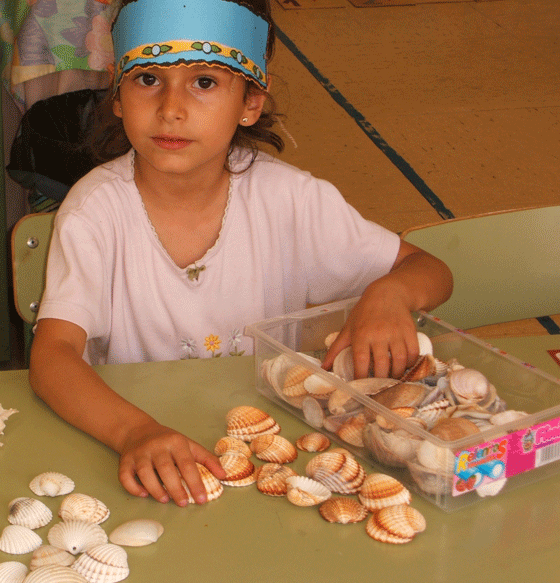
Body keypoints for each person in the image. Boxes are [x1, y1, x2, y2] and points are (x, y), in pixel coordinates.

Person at [28, 0, 453, 508]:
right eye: (147, 79)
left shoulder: (292, 200)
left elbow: (431, 271)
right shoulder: (95, 212)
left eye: (204, 82)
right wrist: (133, 433)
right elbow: (52, 358)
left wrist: (390, 293)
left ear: (250, 102)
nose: (171, 108)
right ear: (117, 94)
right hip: (150, 459)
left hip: (279, 460)